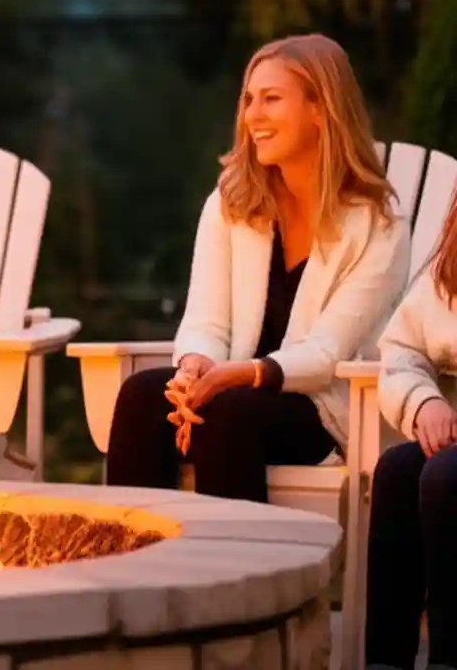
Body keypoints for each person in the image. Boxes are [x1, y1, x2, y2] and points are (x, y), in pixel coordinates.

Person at [103, 33, 410, 503]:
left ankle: (236, 571)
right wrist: (193, 369)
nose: (253, 116)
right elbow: (205, 321)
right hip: (229, 392)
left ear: (320, 109)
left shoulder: (378, 227)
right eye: (249, 100)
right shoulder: (233, 202)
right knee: (143, 397)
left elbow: (327, 353)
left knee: (232, 413)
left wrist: (234, 376)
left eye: (271, 99)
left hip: (319, 408)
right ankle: (138, 566)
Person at [365, 205, 457, 668]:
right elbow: (402, 350)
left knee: (445, 475)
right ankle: (385, 659)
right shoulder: (446, 277)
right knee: (398, 469)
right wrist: (425, 401)